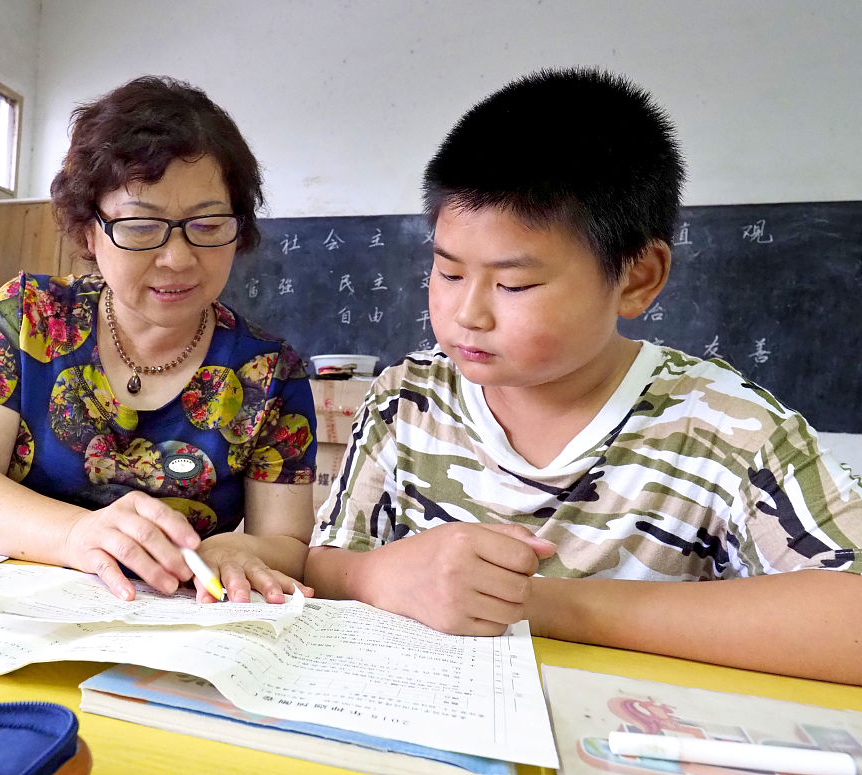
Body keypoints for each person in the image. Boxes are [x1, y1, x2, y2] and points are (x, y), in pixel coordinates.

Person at [304, 67, 862, 685]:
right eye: (449, 273)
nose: (467, 315)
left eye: (515, 284)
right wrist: (377, 574)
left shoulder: (726, 428)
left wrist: (536, 604)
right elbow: (327, 564)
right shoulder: (406, 401)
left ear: (638, 278)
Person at [0, 76, 316, 604]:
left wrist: (238, 550)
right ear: (90, 230)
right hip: (15, 608)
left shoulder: (270, 373)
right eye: (140, 226)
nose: (177, 258)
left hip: (172, 619)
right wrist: (75, 534)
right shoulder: (31, 316)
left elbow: (286, 541)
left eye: (207, 225)